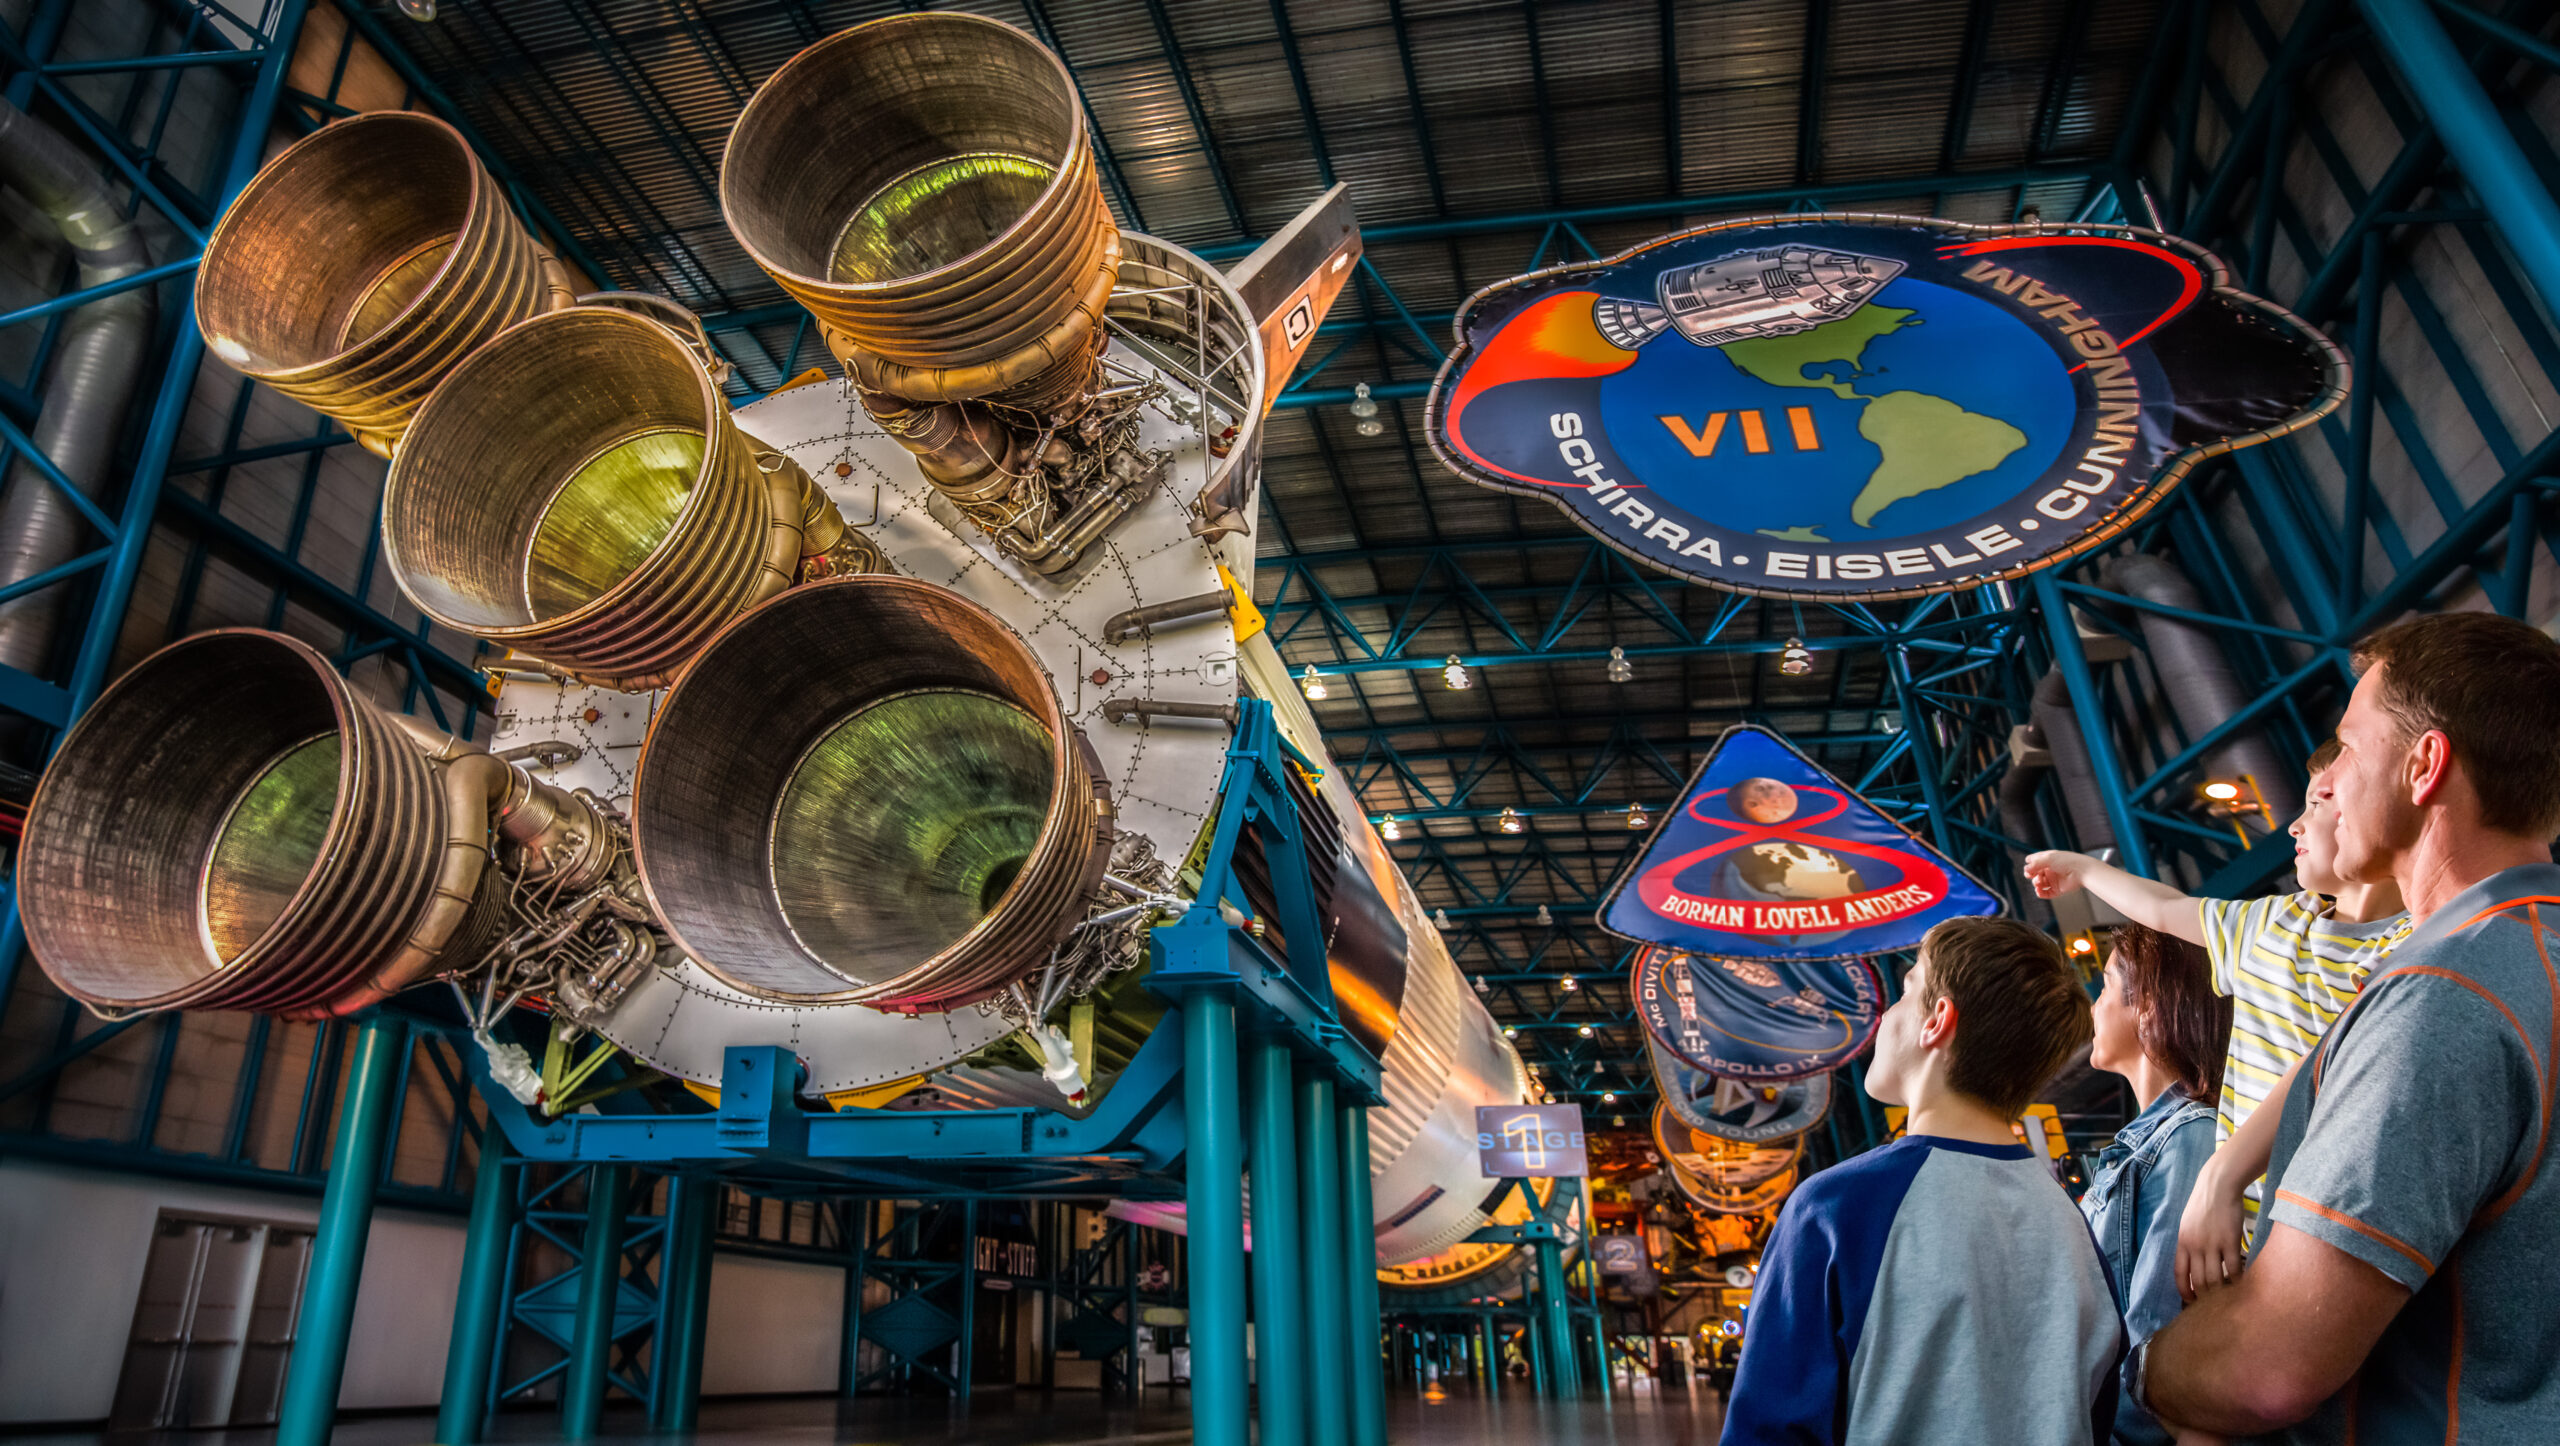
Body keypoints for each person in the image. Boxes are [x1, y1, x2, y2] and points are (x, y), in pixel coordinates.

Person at [2140, 611, 2560, 1441]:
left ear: (2425, 766)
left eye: (2351, 748)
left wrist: (2138, 1368)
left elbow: (2268, 1369)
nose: (2331, 783)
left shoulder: (2443, 997)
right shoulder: (2529, 959)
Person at [1720, 916, 2121, 1445]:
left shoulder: (1839, 1207)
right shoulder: (2075, 1229)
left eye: (1905, 992)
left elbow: (1771, 1427)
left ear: (1936, 1021)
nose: (1885, 1016)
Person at [2024, 741, 2407, 1292]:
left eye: (2317, 805)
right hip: (2244, 1227)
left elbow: (2335, 1064)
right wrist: (2083, 872)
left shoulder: (2410, 942)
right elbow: (2165, 907)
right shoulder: (2274, 922)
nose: (2294, 827)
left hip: (2337, 1215)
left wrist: (2221, 1176)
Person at [2078, 923, 2232, 1445]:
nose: (2094, 1007)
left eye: (2103, 987)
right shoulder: (2151, 1143)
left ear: (2147, 1006)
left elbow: (2156, 1337)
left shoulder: (2189, 1137)